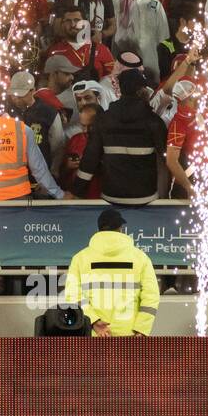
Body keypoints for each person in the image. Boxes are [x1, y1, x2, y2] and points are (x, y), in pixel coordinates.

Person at [72, 68, 167, 205]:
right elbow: (168, 158)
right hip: (145, 197)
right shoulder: (153, 121)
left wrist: (76, 191)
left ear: (121, 90)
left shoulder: (104, 120)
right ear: (141, 90)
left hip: (111, 197)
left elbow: (90, 159)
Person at [64, 208, 160, 337]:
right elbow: (151, 296)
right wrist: (142, 329)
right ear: (121, 228)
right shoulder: (141, 258)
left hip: (94, 334)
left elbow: (72, 295)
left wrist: (93, 321)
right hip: (131, 336)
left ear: (99, 229)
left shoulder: (80, 258)